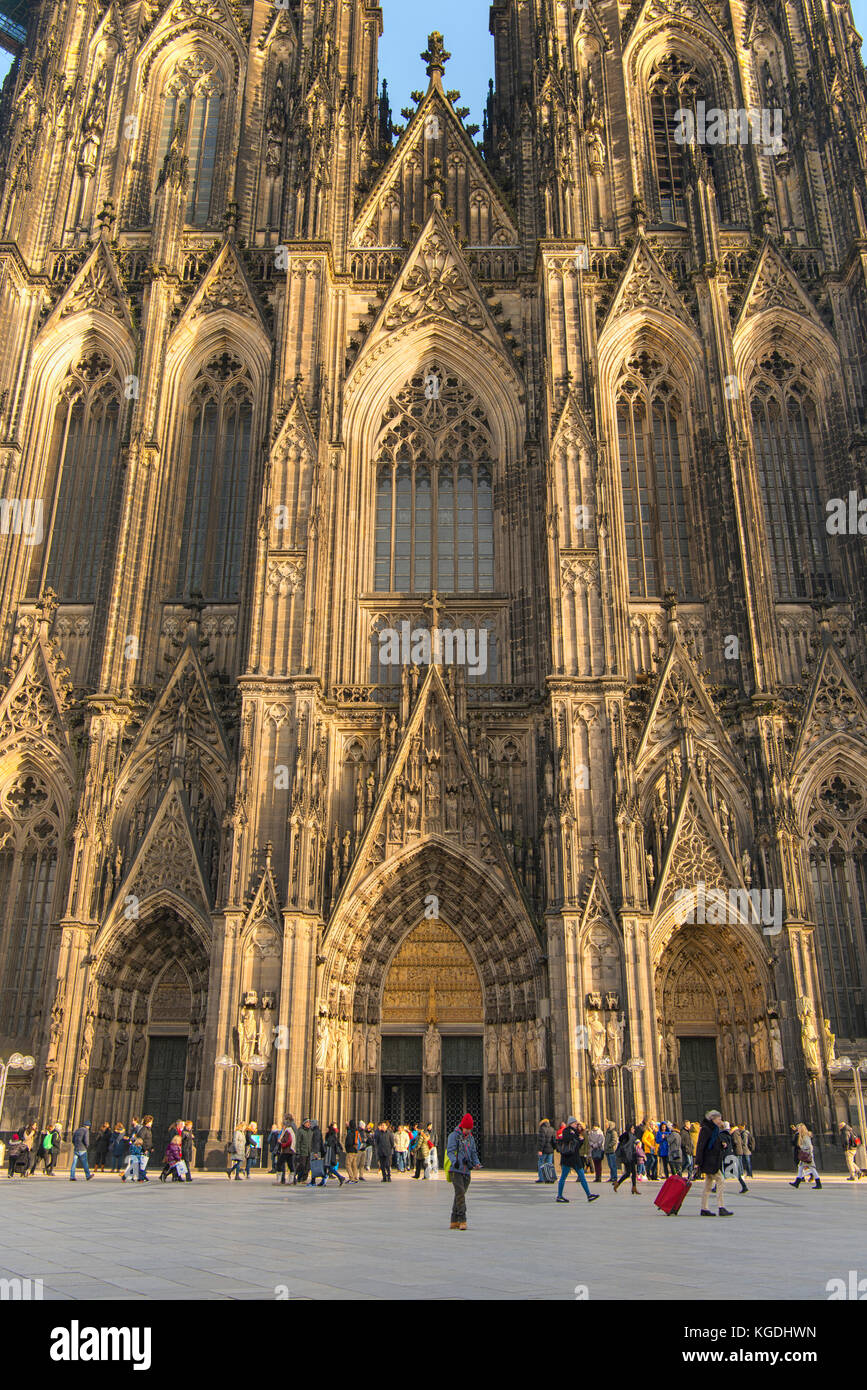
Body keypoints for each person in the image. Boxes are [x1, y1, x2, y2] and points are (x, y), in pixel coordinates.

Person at [446, 1112, 482, 1229]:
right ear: (462, 1126)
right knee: (461, 1194)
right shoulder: (453, 1136)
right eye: (467, 1128)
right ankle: (462, 1220)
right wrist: (454, 1161)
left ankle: (453, 1220)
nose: (468, 1131)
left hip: (467, 1170)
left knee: (459, 1195)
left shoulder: (470, 1138)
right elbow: (450, 1151)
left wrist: (476, 1163)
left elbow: (473, 1152)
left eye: (470, 1129)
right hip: (456, 1170)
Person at [694, 1109, 733, 1215]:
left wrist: (721, 1144)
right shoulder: (706, 1129)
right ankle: (721, 1207)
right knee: (720, 1180)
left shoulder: (713, 1129)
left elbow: (713, 1143)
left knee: (708, 1185)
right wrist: (697, 1161)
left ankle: (704, 1208)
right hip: (709, 1161)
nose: (720, 1121)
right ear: (713, 1119)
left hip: (712, 1160)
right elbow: (701, 1145)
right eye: (719, 1119)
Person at [555, 1118, 601, 1205]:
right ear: (571, 1123)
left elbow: (577, 1145)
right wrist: (574, 1136)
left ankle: (589, 1195)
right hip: (568, 1158)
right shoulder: (566, 1130)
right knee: (563, 1177)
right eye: (575, 1123)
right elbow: (566, 1139)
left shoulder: (575, 1132)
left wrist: (581, 1140)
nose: (577, 1125)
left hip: (575, 1158)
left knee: (582, 1176)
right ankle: (559, 1196)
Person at [790, 1122, 822, 1189]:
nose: (797, 1130)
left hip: (807, 1155)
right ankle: (797, 1182)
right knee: (800, 1168)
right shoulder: (802, 1136)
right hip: (804, 1155)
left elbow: (809, 1146)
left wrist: (803, 1148)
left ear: (801, 1129)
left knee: (812, 1169)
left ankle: (818, 1184)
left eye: (799, 1129)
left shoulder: (805, 1136)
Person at [613, 1124, 641, 1194]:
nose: (634, 1130)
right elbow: (634, 1142)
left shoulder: (624, 1136)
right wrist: (638, 1142)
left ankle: (619, 1184)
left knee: (628, 1173)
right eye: (633, 1128)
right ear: (630, 1129)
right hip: (629, 1157)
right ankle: (633, 1187)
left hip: (626, 1157)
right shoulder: (630, 1136)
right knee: (632, 1172)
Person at [276, 1115, 296, 1185]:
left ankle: (279, 1180)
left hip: (286, 1150)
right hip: (291, 1151)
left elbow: (288, 1141)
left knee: (279, 1164)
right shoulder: (291, 1130)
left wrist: (281, 1142)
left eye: (283, 1125)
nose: (282, 1126)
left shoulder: (287, 1131)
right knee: (290, 1165)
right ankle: (291, 1180)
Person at [536, 1116, 555, 1182]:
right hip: (550, 1150)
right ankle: (550, 1178)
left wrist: (540, 1150)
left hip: (544, 1150)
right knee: (549, 1164)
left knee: (541, 1163)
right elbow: (554, 1140)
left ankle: (542, 1178)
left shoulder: (542, 1129)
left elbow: (542, 1140)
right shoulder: (552, 1129)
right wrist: (553, 1148)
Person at [294, 1119, 312, 1185]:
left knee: (308, 1166)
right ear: (304, 1123)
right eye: (307, 1123)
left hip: (309, 1151)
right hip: (303, 1151)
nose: (308, 1124)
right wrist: (298, 1151)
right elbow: (298, 1141)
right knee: (302, 1165)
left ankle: (304, 1179)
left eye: (309, 1123)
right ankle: (297, 1176)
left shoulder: (310, 1131)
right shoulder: (301, 1131)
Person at [344, 1118, 362, 1182]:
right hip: (355, 1150)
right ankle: (355, 1177)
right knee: (354, 1165)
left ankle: (351, 1178)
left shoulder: (350, 1133)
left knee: (348, 1164)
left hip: (350, 1151)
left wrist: (346, 1146)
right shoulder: (356, 1131)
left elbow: (349, 1142)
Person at [137, 1115, 153, 1182]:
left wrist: (152, 1147)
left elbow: (149, 1140)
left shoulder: (148, 1130)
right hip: (144, 1149)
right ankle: (141, 1177)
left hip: (147, 1148)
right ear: (148, 1122)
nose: (152, 1123)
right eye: (151, 1122)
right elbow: (141, 1140)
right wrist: (144, 1149)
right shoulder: (143, 1130)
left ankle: (143, 1176)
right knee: (142, 1164)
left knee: (144, 1163)